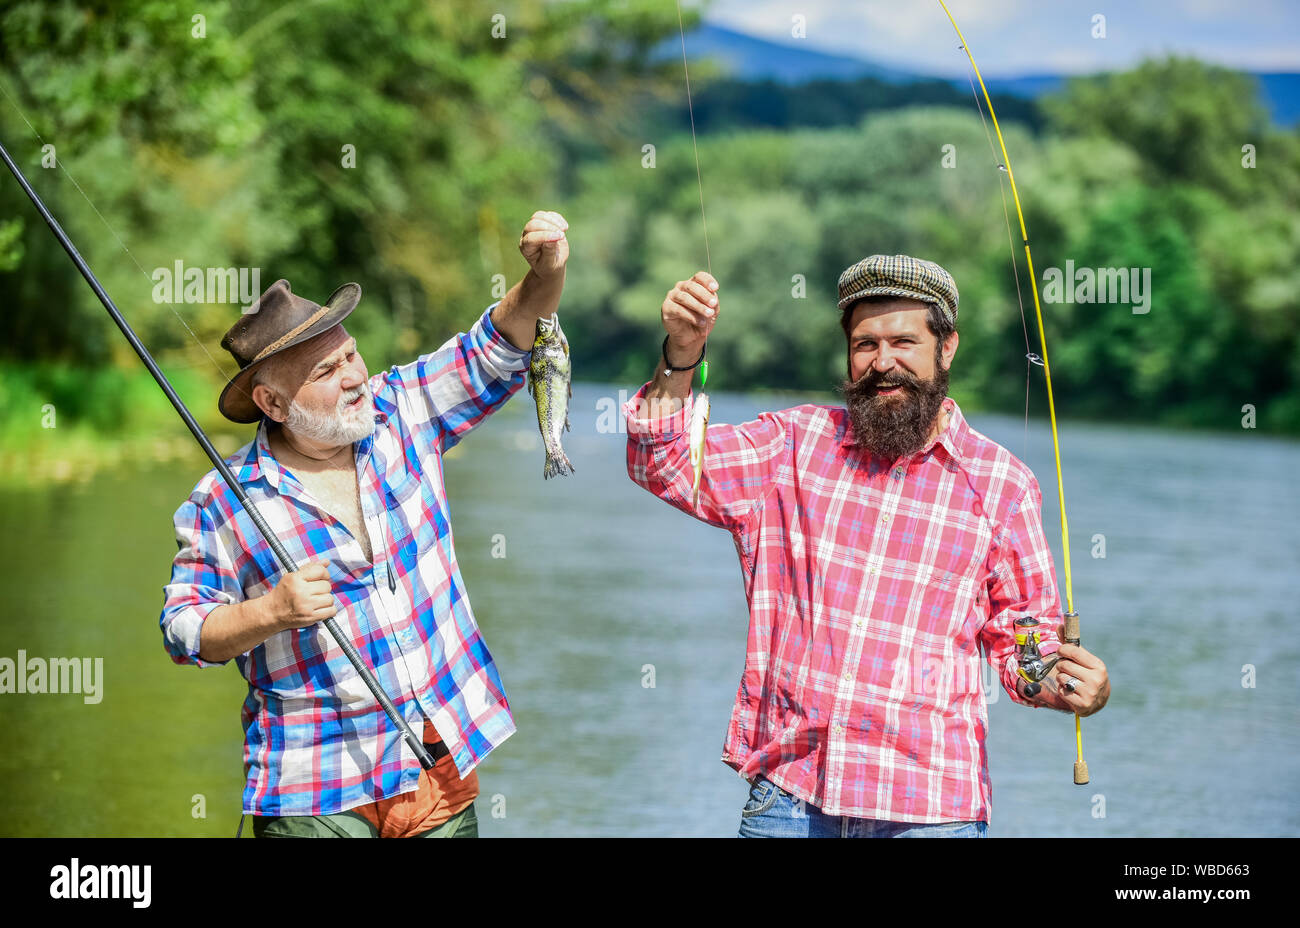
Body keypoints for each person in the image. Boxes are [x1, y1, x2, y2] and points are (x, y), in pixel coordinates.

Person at [623, 254, 1110, 838]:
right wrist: (681, 355)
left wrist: (1062, 683)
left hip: (933, 809)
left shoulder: (1002, 485)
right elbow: (664, 462)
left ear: (946, 347)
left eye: (904, 341)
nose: (883, 364)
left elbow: (1021, 645)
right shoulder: (792, 447)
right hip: (791, 800)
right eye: (864, 344)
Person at [159, 210, 570, 838]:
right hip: (312, 791)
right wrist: (268, 612)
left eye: (350, 354)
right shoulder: (223, 498)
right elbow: (183, 629)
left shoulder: (404, 409)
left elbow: (501, 341)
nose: (354, 376)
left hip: (436, 766)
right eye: (325, 372)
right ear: (272, 402)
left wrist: (546, 273)